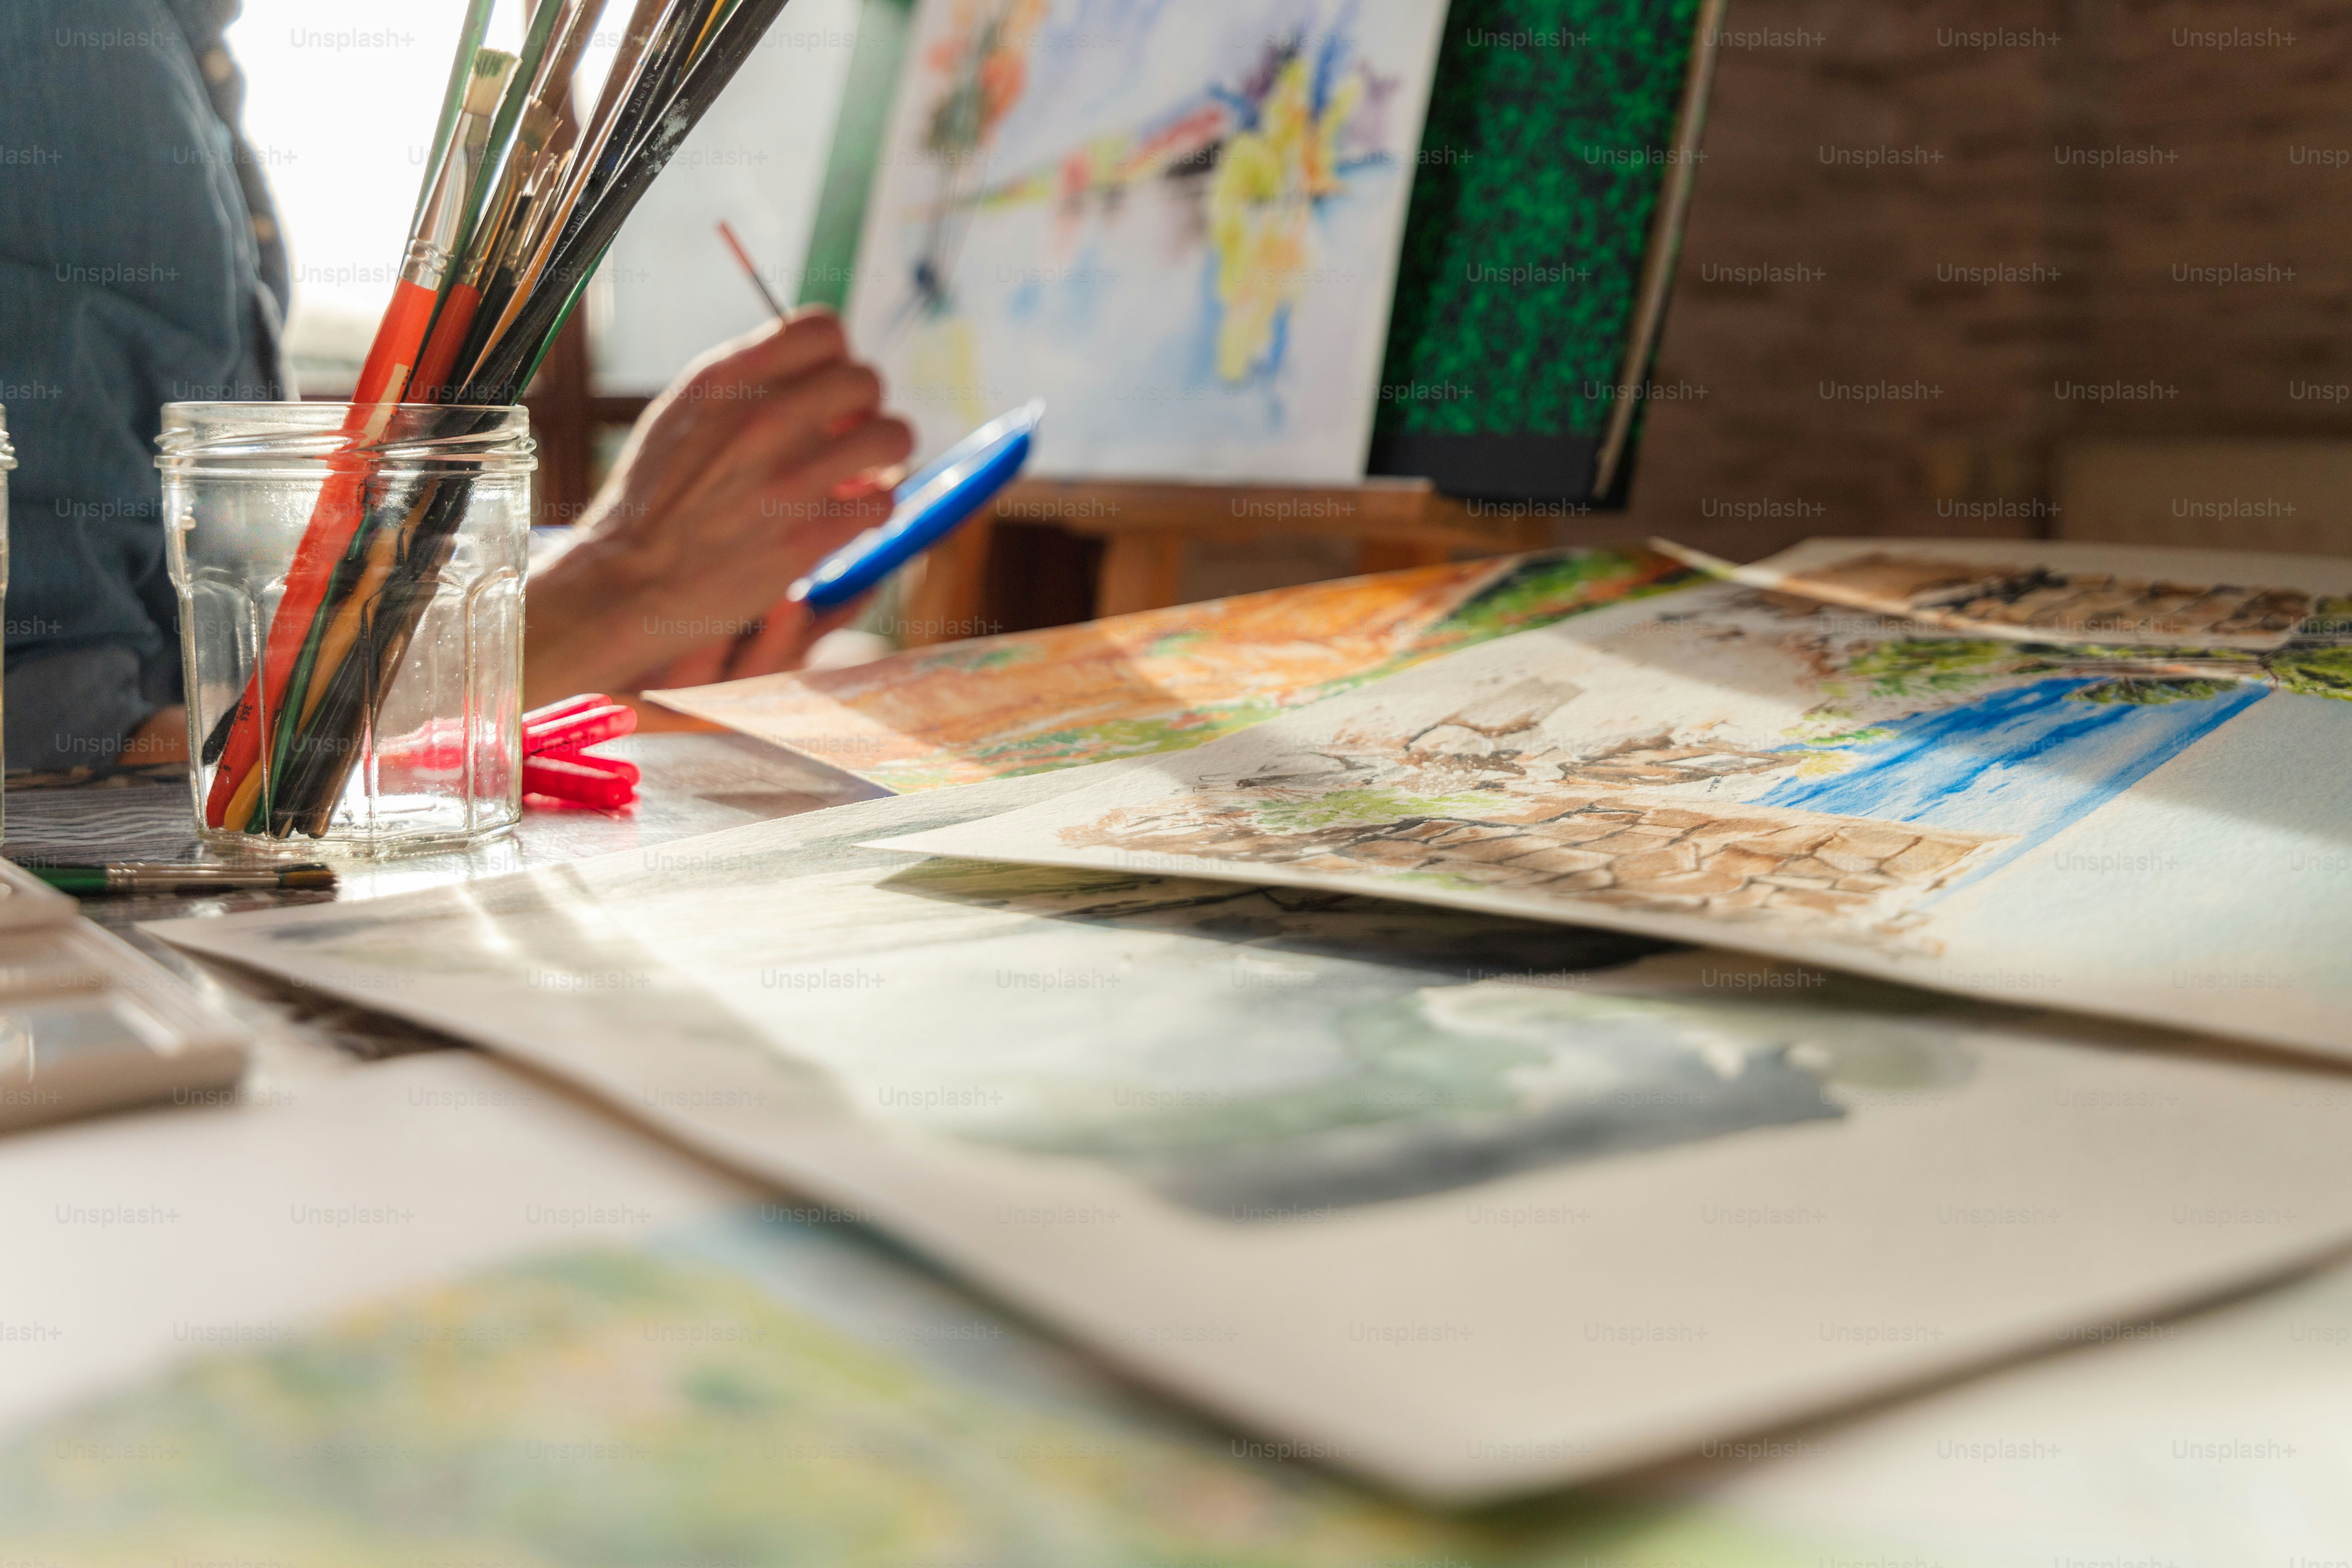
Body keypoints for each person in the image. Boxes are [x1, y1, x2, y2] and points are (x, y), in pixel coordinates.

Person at [0, 0, 910, 772]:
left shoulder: (153, 44)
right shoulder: (55, 39)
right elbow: (47, 763)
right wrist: (618, 588)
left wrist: (616, 623)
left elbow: (219, 687)